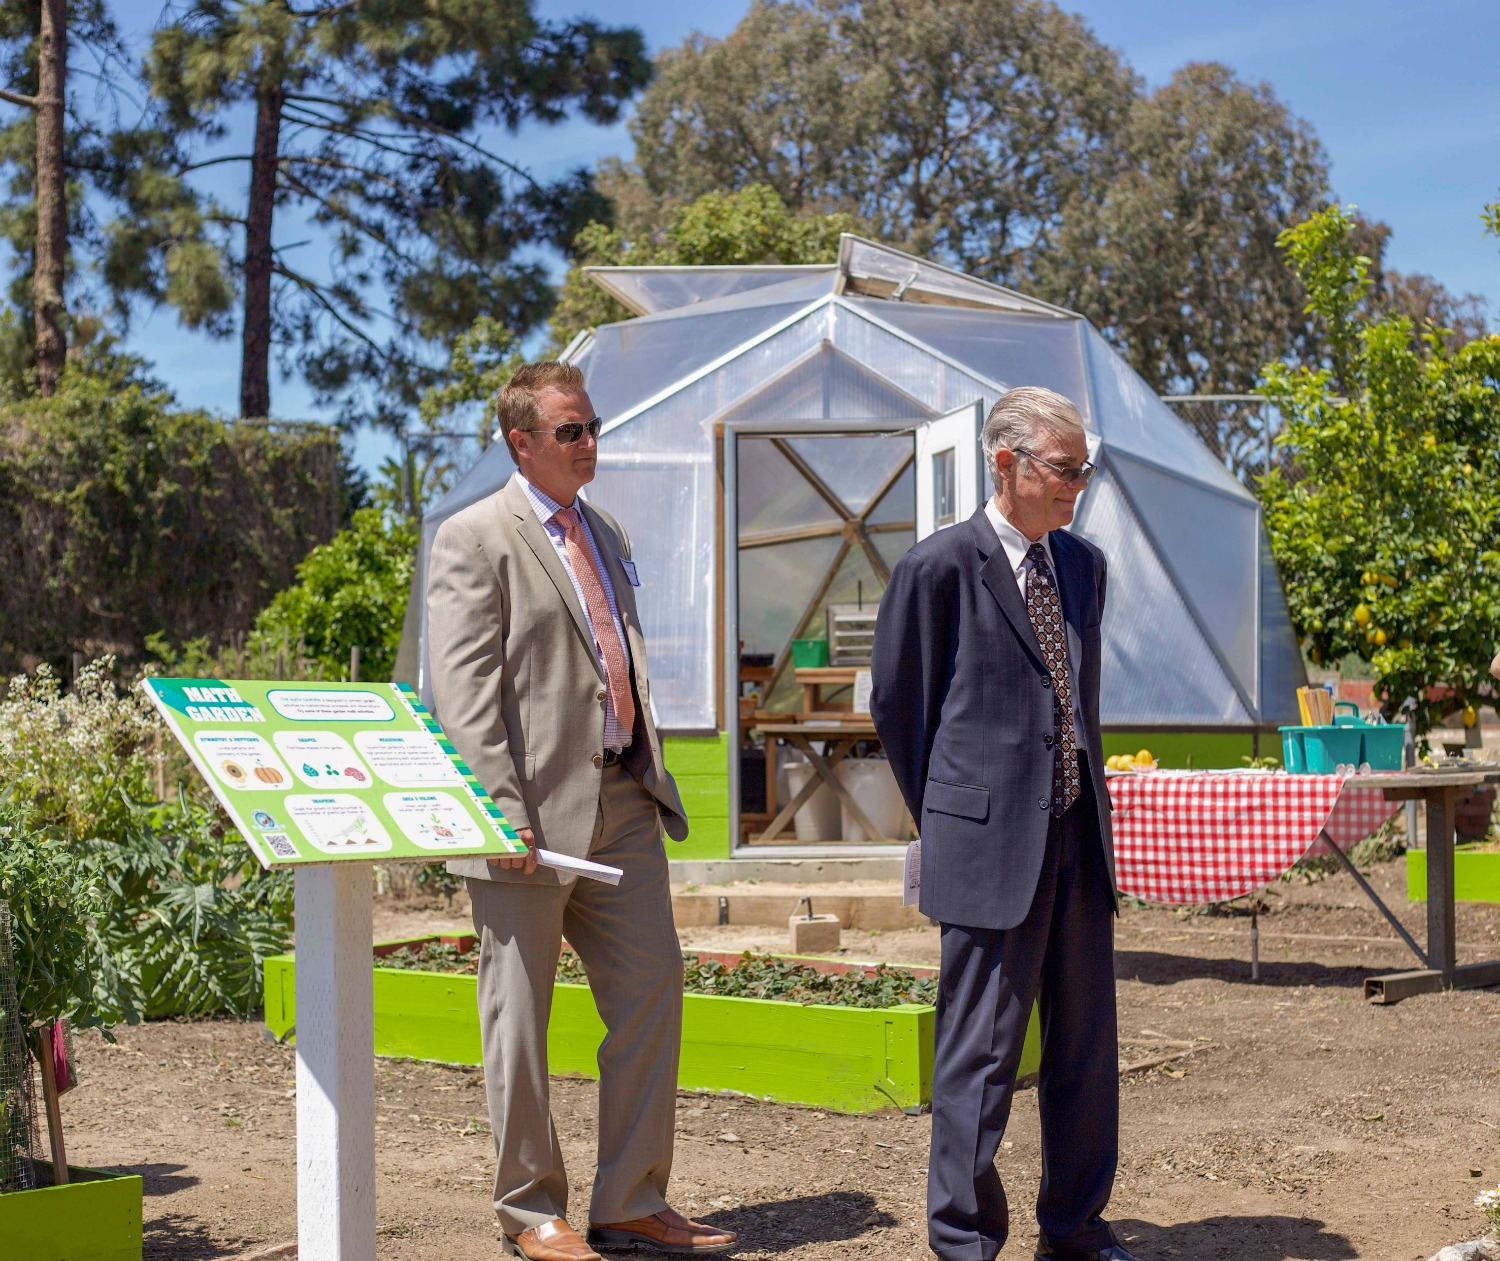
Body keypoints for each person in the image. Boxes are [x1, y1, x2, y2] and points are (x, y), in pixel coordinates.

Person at [427, 362, 737, 1261]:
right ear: (521, 441)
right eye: (571, 431)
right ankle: (531, 1212)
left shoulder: (602, 529)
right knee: (518, 1020)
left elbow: (620, 655)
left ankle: (631, 1197)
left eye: (593, 425)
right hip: (522, 818)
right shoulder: (474, 536)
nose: (590, 442)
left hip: (625, 798)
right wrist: (497, 809)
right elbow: (466, 688)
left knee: (651, 992)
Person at [871, 386, 1137, 1261]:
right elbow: (903, 711)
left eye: (1082, 470)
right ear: (1006, 462)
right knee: (978, 1060)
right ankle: (965, 1240)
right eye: (1064, 470)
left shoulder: (1084, 566)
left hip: (1076, 843)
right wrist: (959, 816)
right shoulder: (938, 568)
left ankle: (1075, 1227)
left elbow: (1080, 706)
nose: (1076, 487)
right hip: (987, 846)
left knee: (1086, 1056)